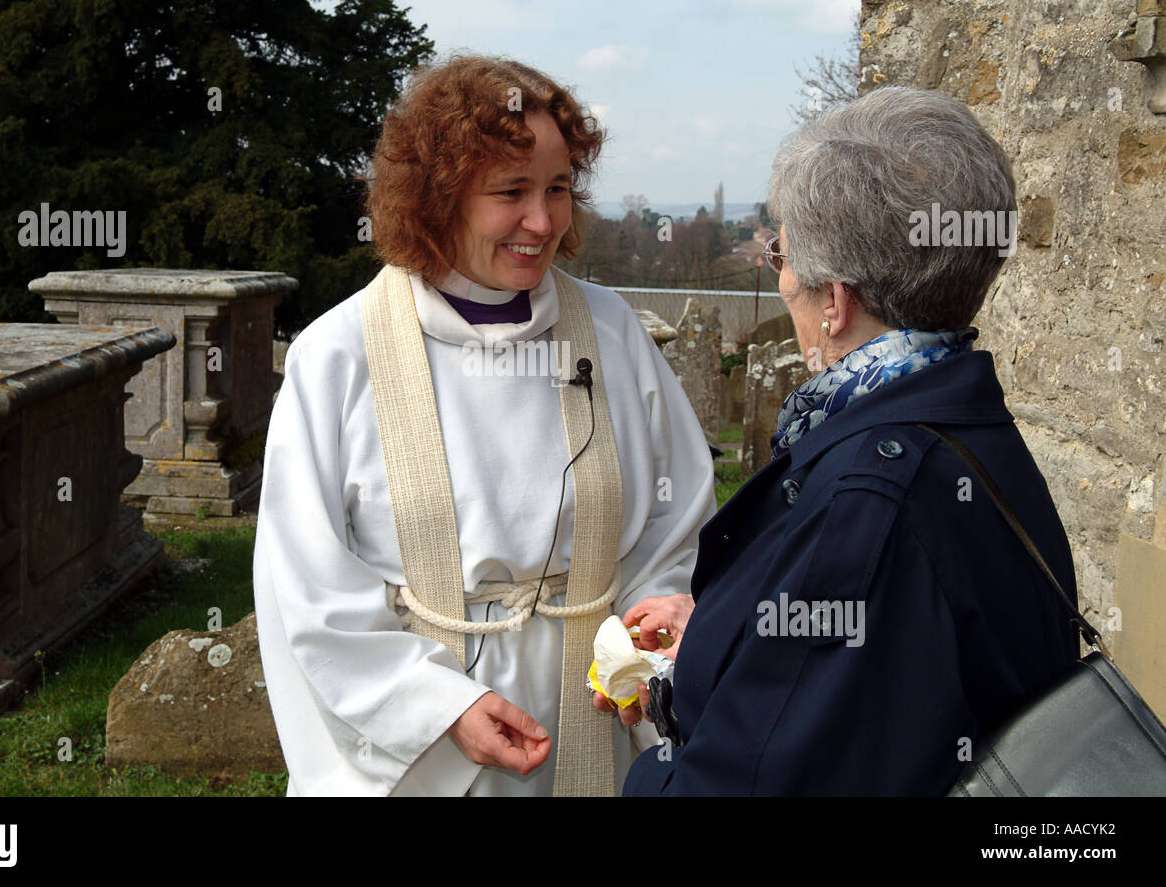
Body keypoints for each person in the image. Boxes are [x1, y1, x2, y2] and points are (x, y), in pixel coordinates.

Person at [253, 54, 715, 796]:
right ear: (438, 198)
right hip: (429, 730)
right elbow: (304, 582)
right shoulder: (340, 356)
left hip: (594, 710)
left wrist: (650, 628)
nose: (543, 221)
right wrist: (438, 709)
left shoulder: (610, 332)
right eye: (511, 192)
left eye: (558, 189)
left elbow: (677, 518)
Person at [623, 86, 1080, 795]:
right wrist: (724, 631)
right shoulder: (963, 425)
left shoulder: (867, 503)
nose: (779, 277)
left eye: (780, 254)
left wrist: (651, 765)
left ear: (834, 301)